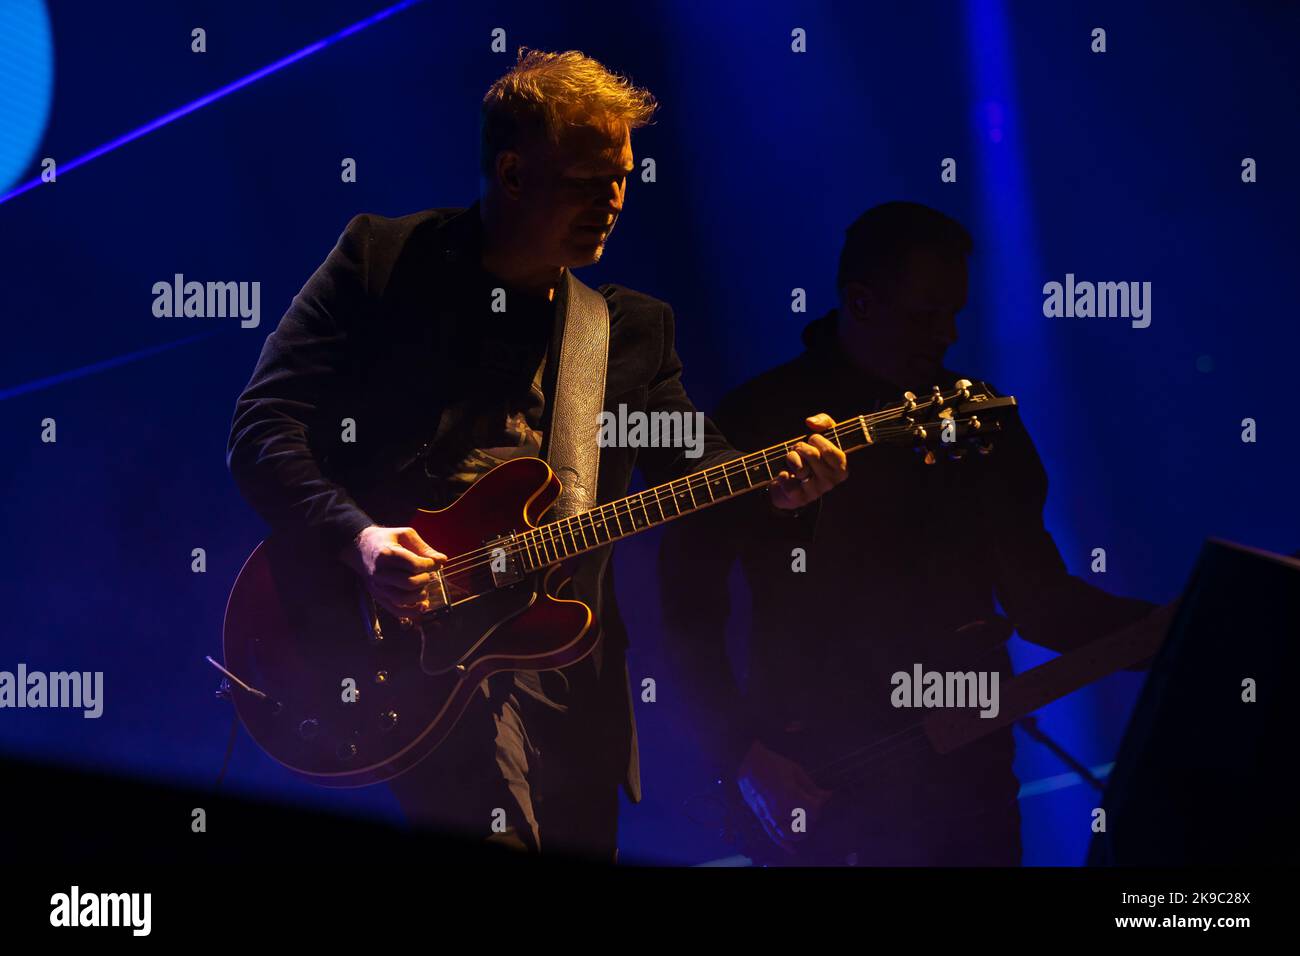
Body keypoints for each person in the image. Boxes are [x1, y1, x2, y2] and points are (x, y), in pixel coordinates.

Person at [226, 48, 847, 862]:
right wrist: (360, 538)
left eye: (623, 177)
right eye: (590, 181)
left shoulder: (628, 328)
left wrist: (781, 485)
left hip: (566, 670)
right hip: (402, 649)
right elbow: (263, 426)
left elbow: (690, 458)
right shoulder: (382, 261)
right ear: (513, 173)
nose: (615, 201)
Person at [659, 201, 1158, 865]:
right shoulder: (756, 420)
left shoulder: (979, 419)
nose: (948, 334)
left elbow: (1042, 602)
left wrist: (1187, 630)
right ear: (858, 301)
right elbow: (685, 602)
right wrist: (742, 754)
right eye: (927, 315)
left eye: (956, 312)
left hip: (967, 779)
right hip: (817, 782)